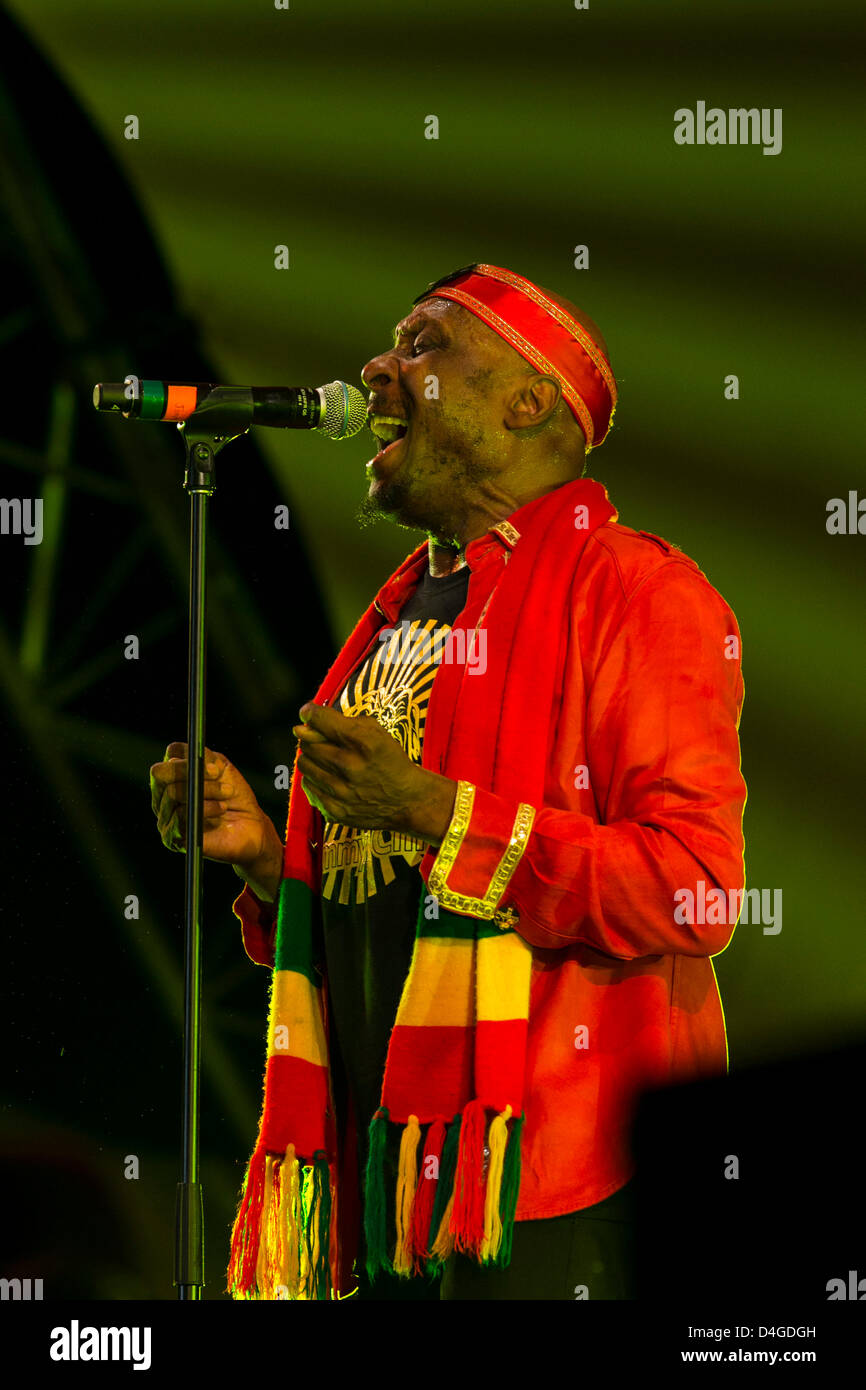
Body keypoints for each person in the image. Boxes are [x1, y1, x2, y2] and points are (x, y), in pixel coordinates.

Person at [149, 263, 747, 1301]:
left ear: (527, 401)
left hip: (563, 1175)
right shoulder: (402, 610)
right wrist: (262, 854)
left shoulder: (634, 590)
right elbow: (390, 889)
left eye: (423, 345)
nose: (377, 369)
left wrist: (427, 808)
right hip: (402, 1178)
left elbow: (692, 888)